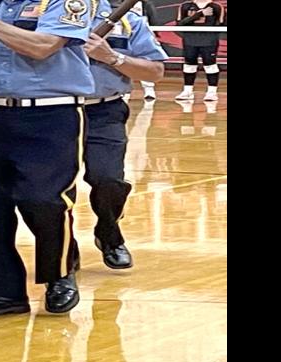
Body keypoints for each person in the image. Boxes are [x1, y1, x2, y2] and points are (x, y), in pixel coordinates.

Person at [0, 0, 93, 318]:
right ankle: (2, 292)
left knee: (44, 200)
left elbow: (44, 46)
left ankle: (59, 275)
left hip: (49, 111)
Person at [82, 0, 165, 269]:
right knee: (52, 192)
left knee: (108, 179)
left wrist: (111, 57)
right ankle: (63, 253)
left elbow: (155, 71)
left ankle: (109, 232)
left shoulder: (127, 21)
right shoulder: (44, 12)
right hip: (52, 111)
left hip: (104, 111)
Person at [174, 0, 223, 102]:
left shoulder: (216, 6)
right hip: (190, 40)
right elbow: (180, 24)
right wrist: (199, 14)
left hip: (209, 41)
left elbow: (222, 24)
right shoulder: (185, 6)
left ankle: (212, 92)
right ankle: (187, 91)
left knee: (210, 64)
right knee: (189, 64)